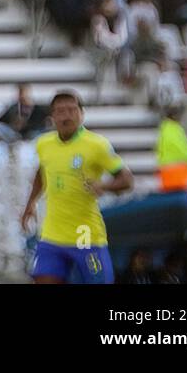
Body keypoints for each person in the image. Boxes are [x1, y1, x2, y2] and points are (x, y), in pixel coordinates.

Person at [21, 91, 134, 284]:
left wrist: (104, 185)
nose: (66, 116)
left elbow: (127, 180)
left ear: (82, 114)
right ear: (52, 117)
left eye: (72, 110)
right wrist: (30, 203)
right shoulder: (44, 144)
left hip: (85, 235)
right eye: (60, 111)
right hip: (52, 234)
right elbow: (42, 172)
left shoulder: (97, 145)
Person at [154, 105, 187, 192]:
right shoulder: (173, 129)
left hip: (167, 169)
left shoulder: (164, 129)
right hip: (176, 170)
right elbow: (182, 147)